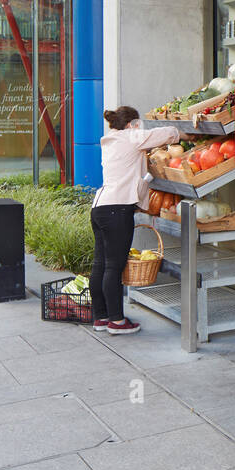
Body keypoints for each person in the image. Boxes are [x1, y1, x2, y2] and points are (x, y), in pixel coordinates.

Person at [90, 107, 179, 334]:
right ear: (131, 124)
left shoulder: (111, 141)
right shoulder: (131, 136)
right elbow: (166, 133)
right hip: (117, 210)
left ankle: (100, 317)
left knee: (100, 264)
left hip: (99, 208)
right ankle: (117, 322)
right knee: (114, 266)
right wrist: (182, 132)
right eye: (138, 124)